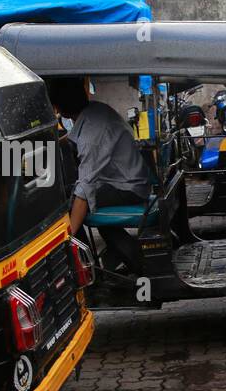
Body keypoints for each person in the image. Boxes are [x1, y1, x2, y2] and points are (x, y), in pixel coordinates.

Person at [47, 78, 150, 270]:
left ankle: (82, 265)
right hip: (127, 180)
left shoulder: (92, 134)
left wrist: (67, 236)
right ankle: (117, 257)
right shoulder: (94, 111)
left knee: (70, 207)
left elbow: (84, 188)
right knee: (78, 200)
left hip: (129, 187)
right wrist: (51, 145)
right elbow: (74, 137)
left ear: (60, 108)